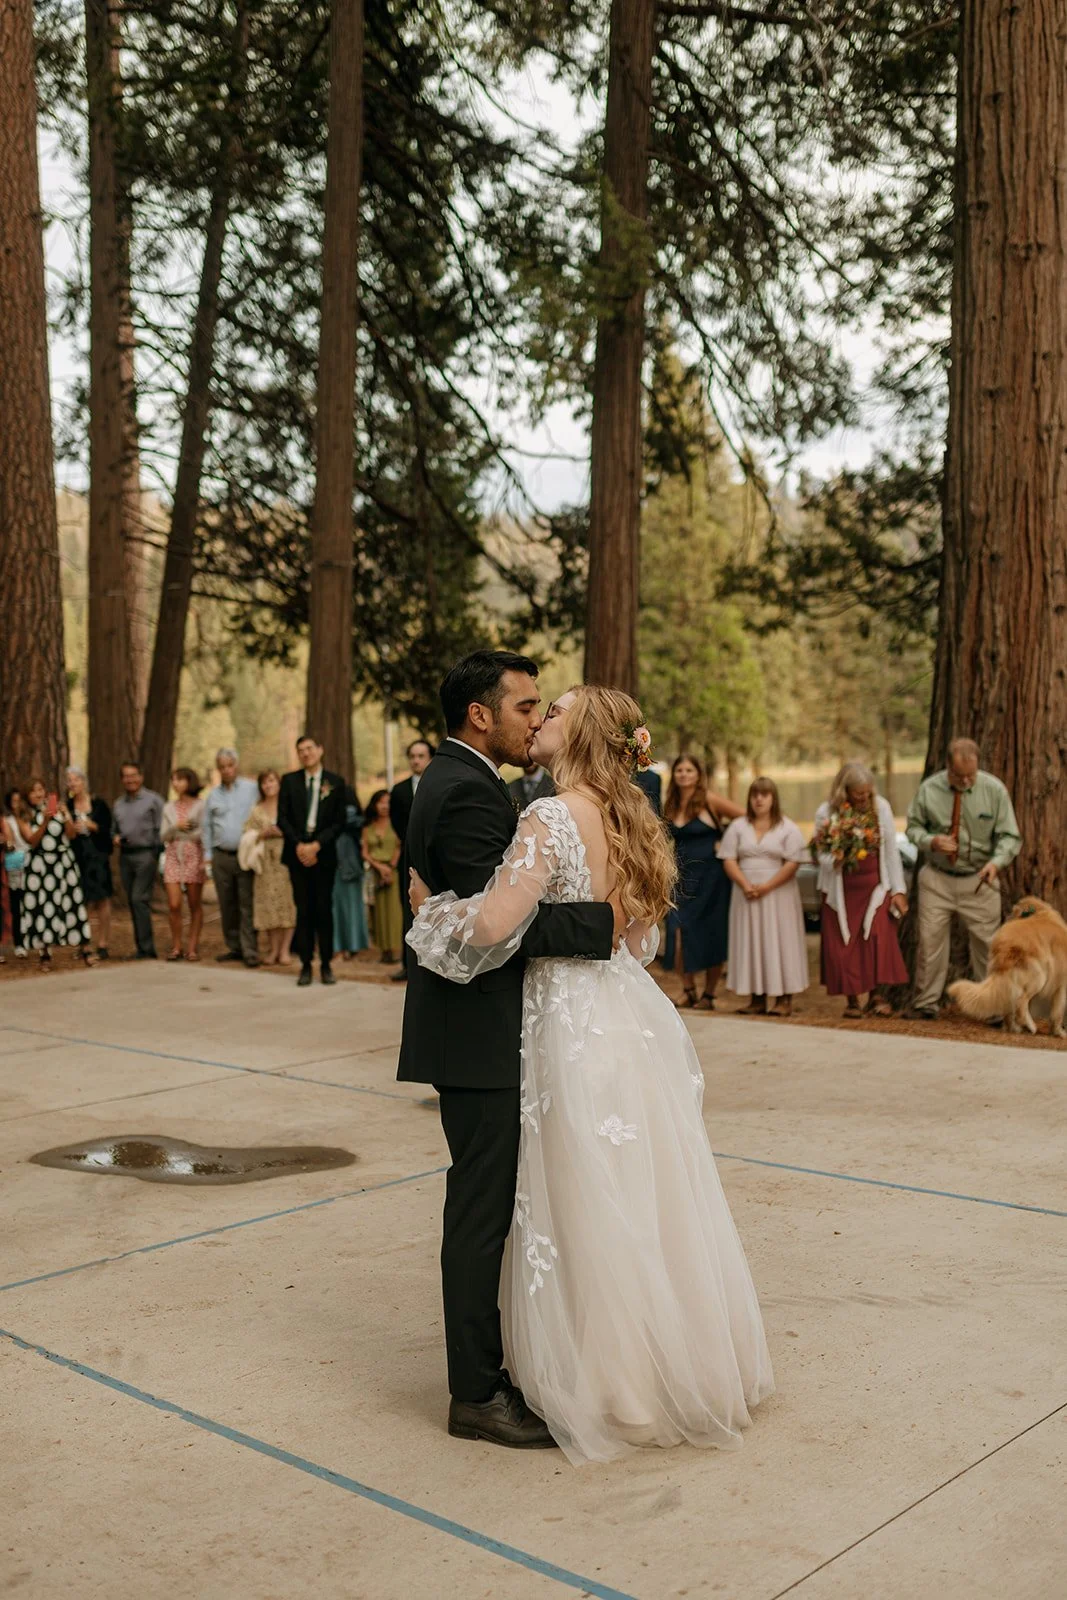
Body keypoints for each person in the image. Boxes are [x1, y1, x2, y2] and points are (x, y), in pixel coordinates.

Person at [406, 677, 773, 1464]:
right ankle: (653, 1373)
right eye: (535, 706)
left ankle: (606, 1383)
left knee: (579, 1194)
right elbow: (632, 936)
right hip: (622, 1016)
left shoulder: (546, 813)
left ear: (579, 734)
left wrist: (429, 907)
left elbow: (497, 922)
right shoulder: (625, 814)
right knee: (634, 1192)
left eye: (556, 709)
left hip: (562, 1022)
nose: (541, 718)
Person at [905, 738, 1022, 1020]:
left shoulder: (993, 790)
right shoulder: (929, 790)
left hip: (979, 878)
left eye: (971, 774)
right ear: (948, 767)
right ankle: (926, 1003)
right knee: (930, 943)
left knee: (988, 945)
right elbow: (913, 828)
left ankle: (993, 1008)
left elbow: (1009, 835)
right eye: (960, 776)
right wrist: (931, 841)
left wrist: (996, 863)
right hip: (937, 878)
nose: (966, 780)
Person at [813, 762, 908, 1018]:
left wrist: (898, 889)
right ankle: (852, 1000)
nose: (864, 798)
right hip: (841, 890)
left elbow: (890, 853)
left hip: (876, 886)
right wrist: (837, 857)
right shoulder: (827, 812)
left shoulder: (882, 807)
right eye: (859, 794)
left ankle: (877, 996)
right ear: (845, 792)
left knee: (878, 937)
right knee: (843, 946)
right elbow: (820, 853)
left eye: (867, 793)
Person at [719, 778, 808, 1017]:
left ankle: (783, 998)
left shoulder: (787, 828)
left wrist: (767, 886)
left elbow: (793, 862)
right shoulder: (738, 827)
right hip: (745, 893)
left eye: (764, 795)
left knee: (780, 939)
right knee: (752, 940)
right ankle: (756, 997)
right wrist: (745, 884)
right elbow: (728, 858)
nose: (759, 799)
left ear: (773, 798)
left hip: (779, 894)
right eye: (755, 795)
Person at [662, 754, 744, 1010]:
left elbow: (744, 817)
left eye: (689, 770)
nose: (684, 775)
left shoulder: (710, 800)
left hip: (712, 878)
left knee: (712, 933)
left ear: (698, 774)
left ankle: (708, 995)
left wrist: (727, 843)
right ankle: (688, 990)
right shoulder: (671, 804)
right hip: (681, 876)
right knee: (677, 931)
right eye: (679, 770)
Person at [278, 734, 346, 986]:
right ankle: (305, 965)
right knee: (303, 910)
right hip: (297, 855)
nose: (305, 753)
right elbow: (282, 818)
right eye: (300, 750)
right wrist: (299, 845)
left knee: (323, 910)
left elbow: (340, 822)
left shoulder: (335, 783)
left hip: (323, 855)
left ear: (320, 750)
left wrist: (317, 845)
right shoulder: (289, 781)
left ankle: (326, 964)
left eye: (309, 748)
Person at [20, 779, 95, 969]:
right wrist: (45, 820)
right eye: (32, 791)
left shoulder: (57, 809)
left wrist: (66, 816)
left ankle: (85, 949)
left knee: (73, 903)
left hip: (63, 863)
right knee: (43, 907)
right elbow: (31, 840)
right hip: (39, 867)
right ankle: (45, 953)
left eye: (40, 789)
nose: (37, 794)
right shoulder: (26, 815)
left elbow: (71, 835)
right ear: (27, 796)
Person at [203, 748, 260, 968]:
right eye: (222, 766)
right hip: (221, 856)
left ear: (236, 765)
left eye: (230, 765)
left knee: (246, 902)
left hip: (245, 855)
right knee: (227, 904)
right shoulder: (213, 795)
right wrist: (208, 855)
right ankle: (234, 947)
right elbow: (207, 827)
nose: (226, 770)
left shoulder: (251, 789)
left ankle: (250, 950)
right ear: (218, 769)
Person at [240, 770, 296, 967]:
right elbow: (247, 833)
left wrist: (283, 831)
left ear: (279, 783)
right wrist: (262, 833)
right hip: (265, 863)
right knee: (268, 905)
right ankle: (273, 949)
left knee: (288, 904)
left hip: (286, 859)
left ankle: (285, 950)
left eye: (272, 781)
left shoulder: (289, 804)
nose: (269, 785)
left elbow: (299, 827)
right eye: (264, 782)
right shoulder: (257, 809)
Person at [390, 739, 435, 983]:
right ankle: (408, 965)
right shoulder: (398, 791)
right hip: (407, 860)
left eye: (421, 755)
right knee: (407, 911)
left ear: (429, 758)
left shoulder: (438, 785)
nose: (416, 760)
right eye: (412, 756)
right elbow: (398, 825)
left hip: (432, 859)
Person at [112, 761, 164, 960]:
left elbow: (161, 828)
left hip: (146, 855)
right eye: (126, 776)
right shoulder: (118, 803)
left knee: (138, 899)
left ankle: (147, 948)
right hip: (126, 856)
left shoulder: (154, 800)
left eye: (133, 775)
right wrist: (115, 838)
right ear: (122, 780)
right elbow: (114, 830)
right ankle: (142, 947)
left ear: (141, 777)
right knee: (134, 902)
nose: (130, 780)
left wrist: (155, 854)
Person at [65, 768, 114, 959]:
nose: (72, 784)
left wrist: (91, 825)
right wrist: (70, 821)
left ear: (84, 782)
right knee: (81, 900)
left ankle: (103, 944)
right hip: (77, 856)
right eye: (69, 781)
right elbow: (67, 834)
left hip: (98, 856)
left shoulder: (99, 804)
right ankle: (84, 944)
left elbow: (107, 830)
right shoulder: (67, 806)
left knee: (102, 899)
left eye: (75, 780)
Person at [161, 767, 206, 961]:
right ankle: (176, 946)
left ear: (189, 781)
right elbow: (163, 835)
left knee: (194, 903)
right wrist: (176, 827)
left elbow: (202, 832)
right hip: (172, 855)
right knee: (174, 904)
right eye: (173, 780)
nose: (175, 783)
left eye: (179, 779)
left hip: (194, 855)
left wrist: (185, 834)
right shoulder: (168, 808)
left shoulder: (201, 806)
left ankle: (192, 947)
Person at [362, 790, 403, 962]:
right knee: (378, 913)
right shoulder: (367, 827)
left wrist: (390, 867)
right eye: (381, 802)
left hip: (393, 872)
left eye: (387, 802)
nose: (384, 806)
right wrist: (379, 867)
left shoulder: (396, 824)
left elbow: (399, 846)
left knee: (395, 912)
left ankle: (397, 950)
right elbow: (364, 852)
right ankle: (383, 950)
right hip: (375, 873)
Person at [332, 786, 369, 960]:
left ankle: (350, 945)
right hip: (337, 864)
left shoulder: (351, 816)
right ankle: (342, 946)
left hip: (350, 865)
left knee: (349, 906)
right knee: (340, 907)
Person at [3, 790, 30, 957]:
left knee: (30, 902)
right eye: (13, 801)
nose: (16, 804)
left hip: (31, 863)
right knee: (16, 904)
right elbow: (9, 842)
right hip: (14, 864)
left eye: (19, 800)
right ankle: (18, 942)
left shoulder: (29, 818)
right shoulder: (7, 821)